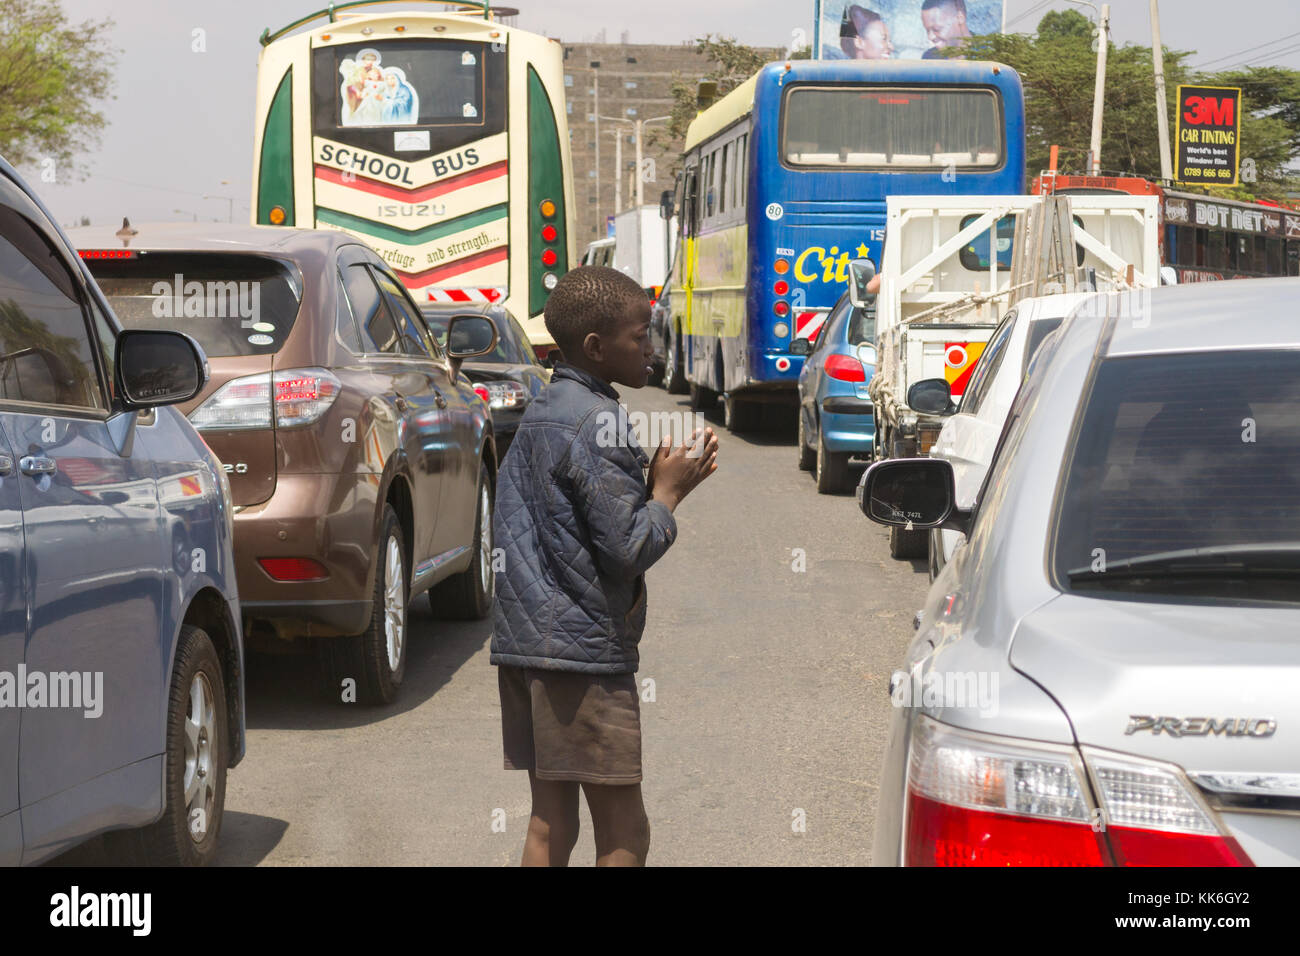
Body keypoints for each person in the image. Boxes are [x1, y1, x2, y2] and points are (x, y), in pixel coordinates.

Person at [490, 265, 719, 867]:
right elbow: (626, 550)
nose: (651, 347)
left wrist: (647, 484)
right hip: (580, 655)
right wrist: (668, 494)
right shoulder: (599, 422)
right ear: (596, 347)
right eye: (640, 335)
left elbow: (572, 524)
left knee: (549, 821)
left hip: (527, 646)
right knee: (623, 827)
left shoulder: (549, 407)